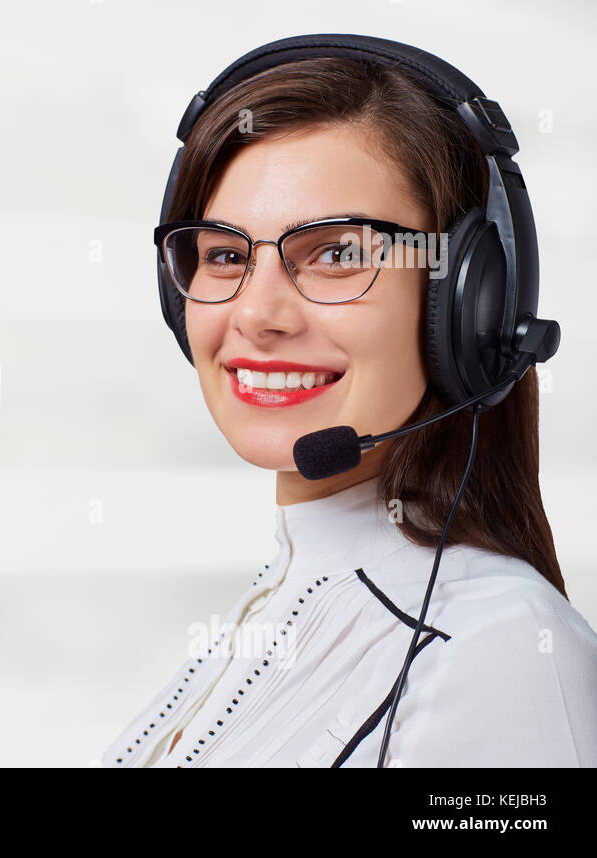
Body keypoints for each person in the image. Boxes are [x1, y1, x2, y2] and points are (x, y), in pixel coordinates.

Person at [102, 40, 597, 767]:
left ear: (466, 302)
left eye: (337, 253)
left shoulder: (500, 647)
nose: (258, 314)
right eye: (227, 255)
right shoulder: (281, 603)